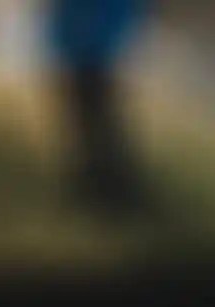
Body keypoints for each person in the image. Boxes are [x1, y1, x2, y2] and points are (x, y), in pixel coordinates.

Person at [47, 0, 149, 210]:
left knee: (100, 125)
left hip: (95, 52)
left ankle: (111, 190)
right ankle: (97, 185)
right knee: (87, 123)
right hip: (83, 49)